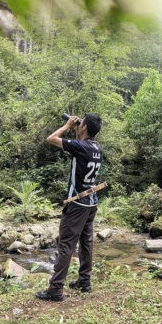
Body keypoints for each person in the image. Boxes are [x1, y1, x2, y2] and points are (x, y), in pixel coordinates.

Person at [36, 113, 104, 301]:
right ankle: (84, 281)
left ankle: (55, 290)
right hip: (91, 201)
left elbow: (51, 139)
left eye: (81, 123)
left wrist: (67, 125)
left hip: (76, 203)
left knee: (66, 244)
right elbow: (79, 144)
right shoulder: (97, 148)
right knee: (86, 242)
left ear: (85, 127)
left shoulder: (80, 147)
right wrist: (78, 129)